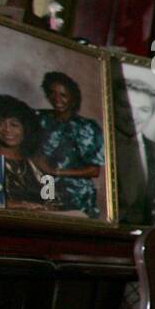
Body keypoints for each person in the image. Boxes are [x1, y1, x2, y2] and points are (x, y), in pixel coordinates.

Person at [33, 71, 103, 217]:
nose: (57, 99)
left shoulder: (88, 127)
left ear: (73, 97)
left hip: (77, 197)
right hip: (42, 191)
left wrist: (55, 172)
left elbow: (94, 171)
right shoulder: (38, 118)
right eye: (52, 93)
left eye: (63, 95)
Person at [113, 77, 155, 223]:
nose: (133, 115)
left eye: (143, 110)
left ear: (152, 115)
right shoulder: (97, 144)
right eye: (127, 106)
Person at [0, 93, 45, 208]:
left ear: (26, 128)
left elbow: (52, 200)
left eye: (14, 125)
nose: (7, 130)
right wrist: (9, 205)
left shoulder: (37, 164)